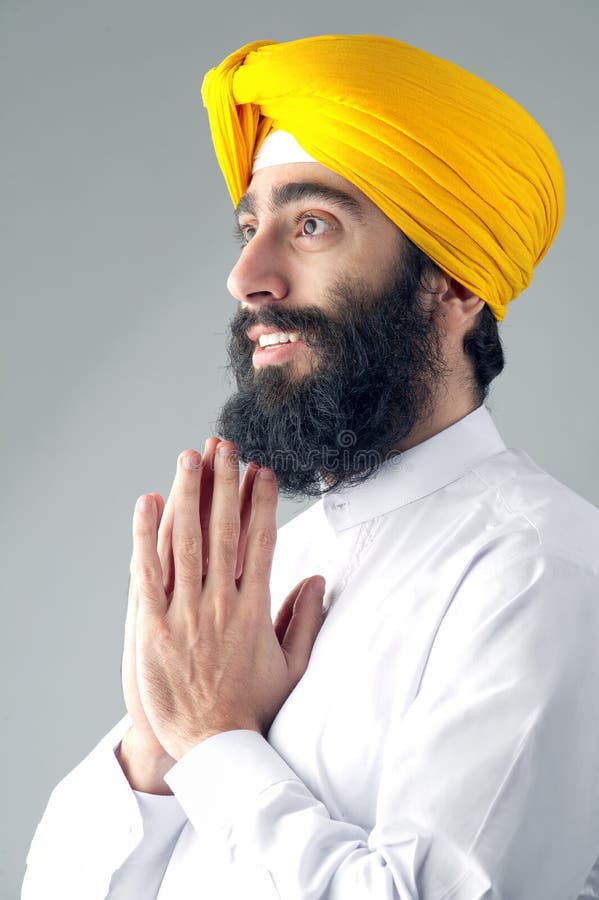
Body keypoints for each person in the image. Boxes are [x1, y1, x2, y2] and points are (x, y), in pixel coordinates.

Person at [22, 34, 599, 900]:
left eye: (312, 224)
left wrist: (216, 741)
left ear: (452, 282)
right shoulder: (265, 573)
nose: (246, 275)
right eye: (250, 227)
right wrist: (156, 737)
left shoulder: (539, 571)